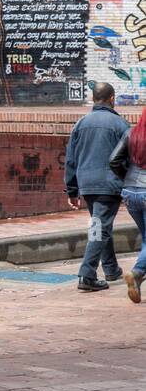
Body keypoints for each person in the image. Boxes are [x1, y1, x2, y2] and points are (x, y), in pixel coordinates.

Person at [66, 82, 131, 292]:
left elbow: (71, 159)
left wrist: (72, 190)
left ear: (94, 98)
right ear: (112, 98)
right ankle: (87, 274)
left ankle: (111, 268)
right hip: (109, 184)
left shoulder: (80, 124)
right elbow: (129, 157)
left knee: (100, 224)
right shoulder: (120, 124)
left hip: (86, 184)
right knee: (100, 228)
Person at [110, 110, 146, 303]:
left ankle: (138, 280)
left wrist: (127, 177)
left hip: (129, 192)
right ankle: (137, 272)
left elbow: (113, 160)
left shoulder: (131, 133)